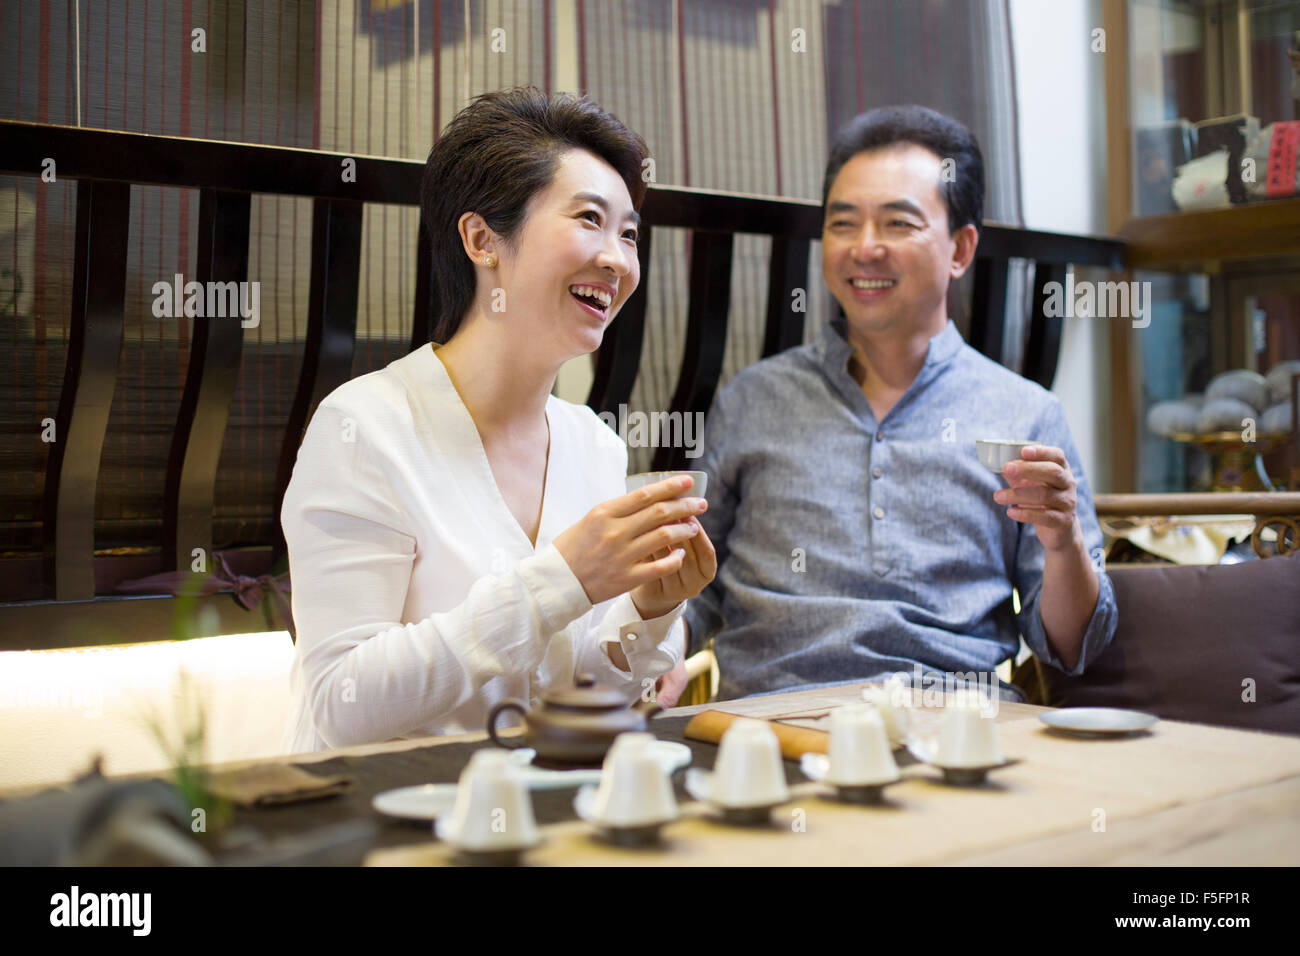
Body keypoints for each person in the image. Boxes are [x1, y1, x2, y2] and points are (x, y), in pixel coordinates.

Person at [281, 88, 715, 752]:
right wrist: (562, 579)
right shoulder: (364, 430)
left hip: (537, 816)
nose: (618, 259)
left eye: (629, 233)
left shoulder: (592, 446)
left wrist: (648, 614)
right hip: (383, 822)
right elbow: (343, 704)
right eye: (589, 220)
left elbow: (581, 693)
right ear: (482, 240)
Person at [680, 105, 1116, 704]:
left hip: (958, 732)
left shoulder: (1026, 415)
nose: (865, 248)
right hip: (768, 732)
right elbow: (689, 589)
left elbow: (1074, 647)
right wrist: (658, 650)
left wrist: (1063, 542)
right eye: (843, 223)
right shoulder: (753, 399)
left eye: (897, 224)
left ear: (961, 249)